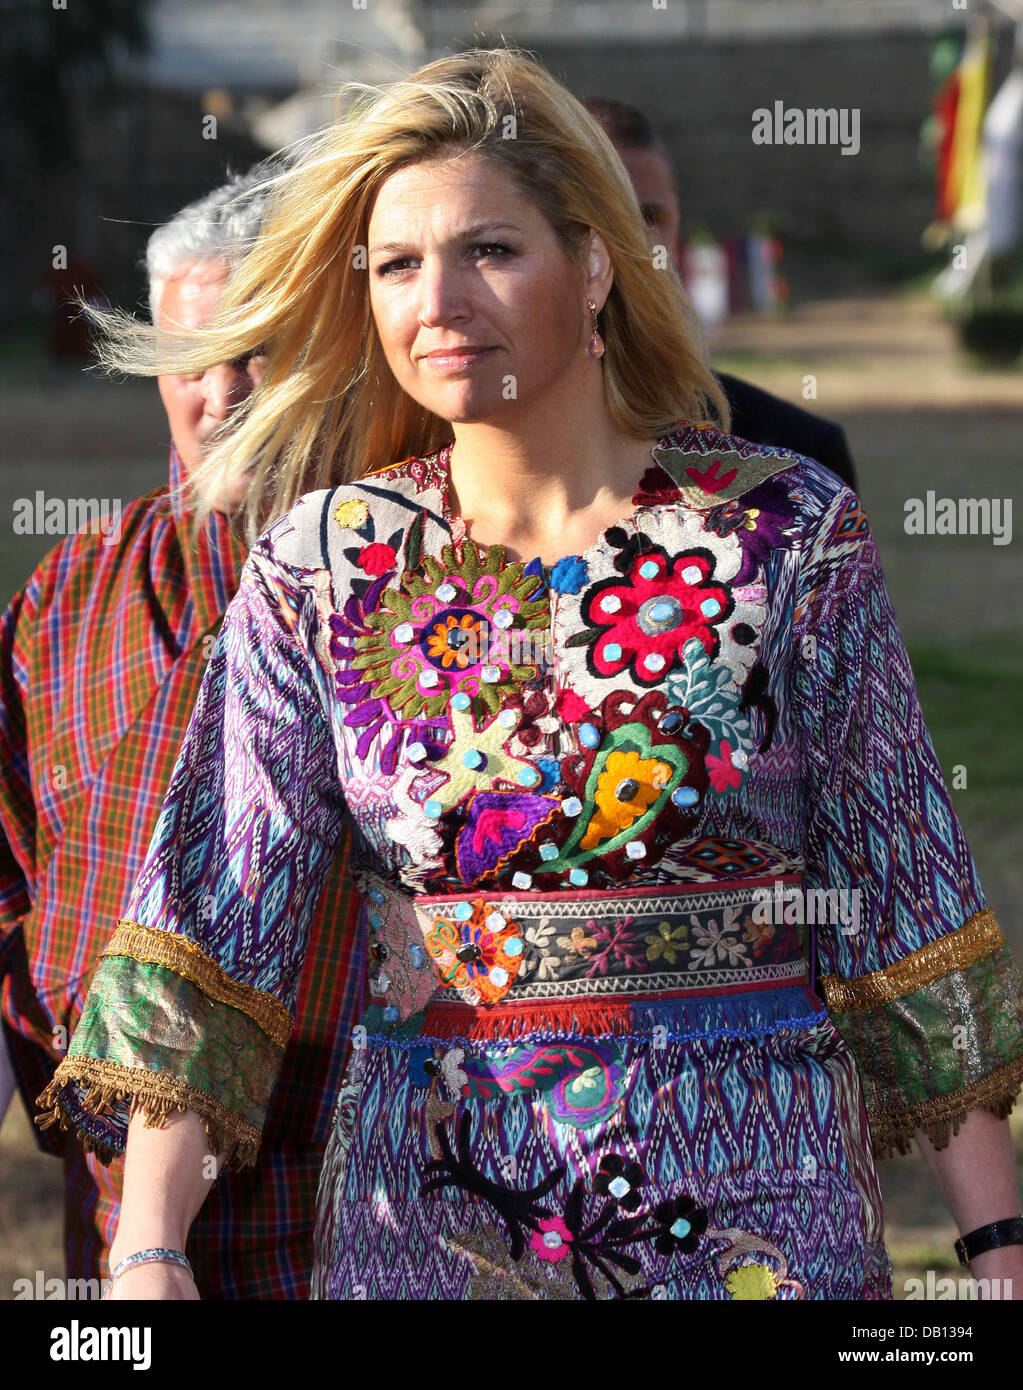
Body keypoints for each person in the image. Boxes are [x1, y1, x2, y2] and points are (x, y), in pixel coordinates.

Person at [38, 45, 1023, 1301]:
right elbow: (221, 900)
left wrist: (997, 1245)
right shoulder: (326, 565)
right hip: (435, 1228)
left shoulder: (787, 532)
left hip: (758, 1223)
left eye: (489, 251)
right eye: (396, 265)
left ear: (597, 264)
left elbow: (901, 882)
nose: (436, 301)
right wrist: (151, 1245)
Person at [0, 167, 362, 1299]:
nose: (222, 391)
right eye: (185, 359)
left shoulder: (425, 588)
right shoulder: (73, 595)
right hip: (125, 1234)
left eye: (261, 350)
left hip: (374, 1212)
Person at [583, 97, 859, 492]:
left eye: (650, 218)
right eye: (608, 216)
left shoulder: (800, 458)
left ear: (678, 219)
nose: (635, 243)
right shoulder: (478, 444)